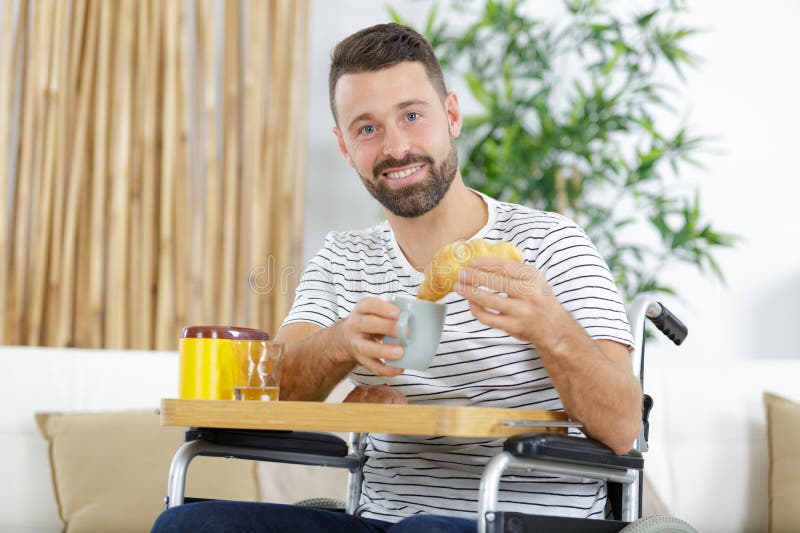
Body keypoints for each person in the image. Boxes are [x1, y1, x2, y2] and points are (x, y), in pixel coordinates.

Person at [152, 22, 641, 533]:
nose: (396, 146)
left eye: (411, 115)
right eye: (367, 128)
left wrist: (551, 328)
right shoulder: (344, 258)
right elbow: (274, 393)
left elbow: (623, 426)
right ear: (345, 147)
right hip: (380, 522)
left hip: (521, 522)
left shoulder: (551, 245)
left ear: (451, 116)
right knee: (188, 525)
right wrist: (340, 344)